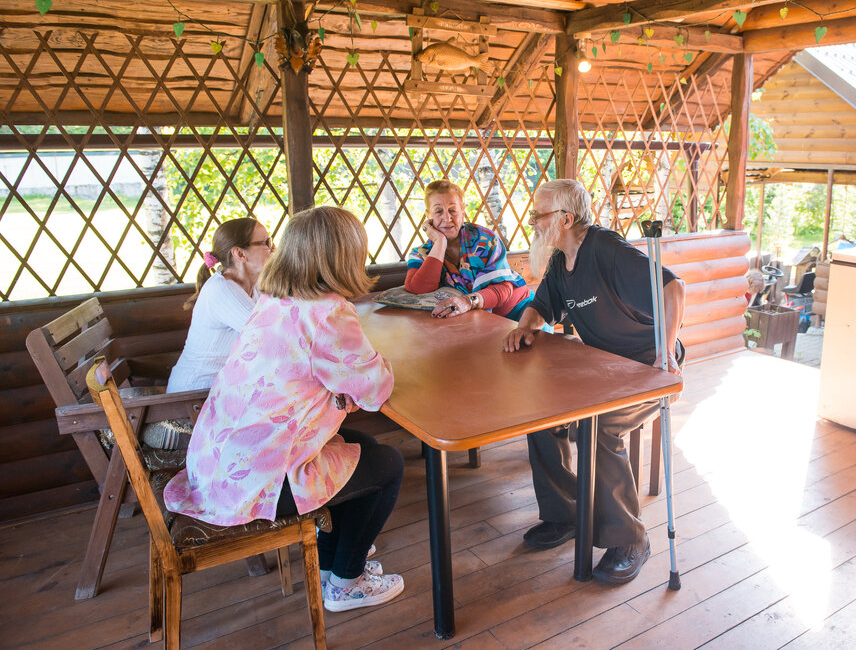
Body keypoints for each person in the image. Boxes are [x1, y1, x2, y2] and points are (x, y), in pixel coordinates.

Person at [164, 206, 406, 612]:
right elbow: (374, 389)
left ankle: (333, 568)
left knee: (357, 443)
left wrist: (338, 385)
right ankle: (347, 583)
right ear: (341, 255)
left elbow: (301, 370)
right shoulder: (328, 310)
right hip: (258, 481)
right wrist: (359, 379)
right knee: (388, 467)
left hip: (220, 462)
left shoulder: (275, 297)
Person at [502, 179, 684, 585]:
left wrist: (665, 353)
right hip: (603, 367)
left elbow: (673, 288)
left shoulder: (605, 248)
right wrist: (525, 328)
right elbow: (540, 306)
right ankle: (566, 511)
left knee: (598, 428)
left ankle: (630, 539)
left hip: (647, 366)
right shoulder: (560, 262)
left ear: (566, 219)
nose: (532, 223)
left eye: (539, 215)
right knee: (541, 415)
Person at [167, 217, 274, 393]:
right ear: (239, 254)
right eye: (266, 242)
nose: (272, 249)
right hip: (194, 395)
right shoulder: (221, 289)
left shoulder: (253, 285)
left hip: (222, 391)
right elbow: (267, 334)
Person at [405, 179, 533, 320]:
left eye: (452, 210)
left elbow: (503, 288)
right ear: (428, 216)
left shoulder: (484, 240)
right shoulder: (421, 254)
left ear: (463, 212)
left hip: (523, 310)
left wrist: (468, 301)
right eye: (438, 211)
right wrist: (440, 243)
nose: (447, 218)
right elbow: (417, 289)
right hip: (483, 321)